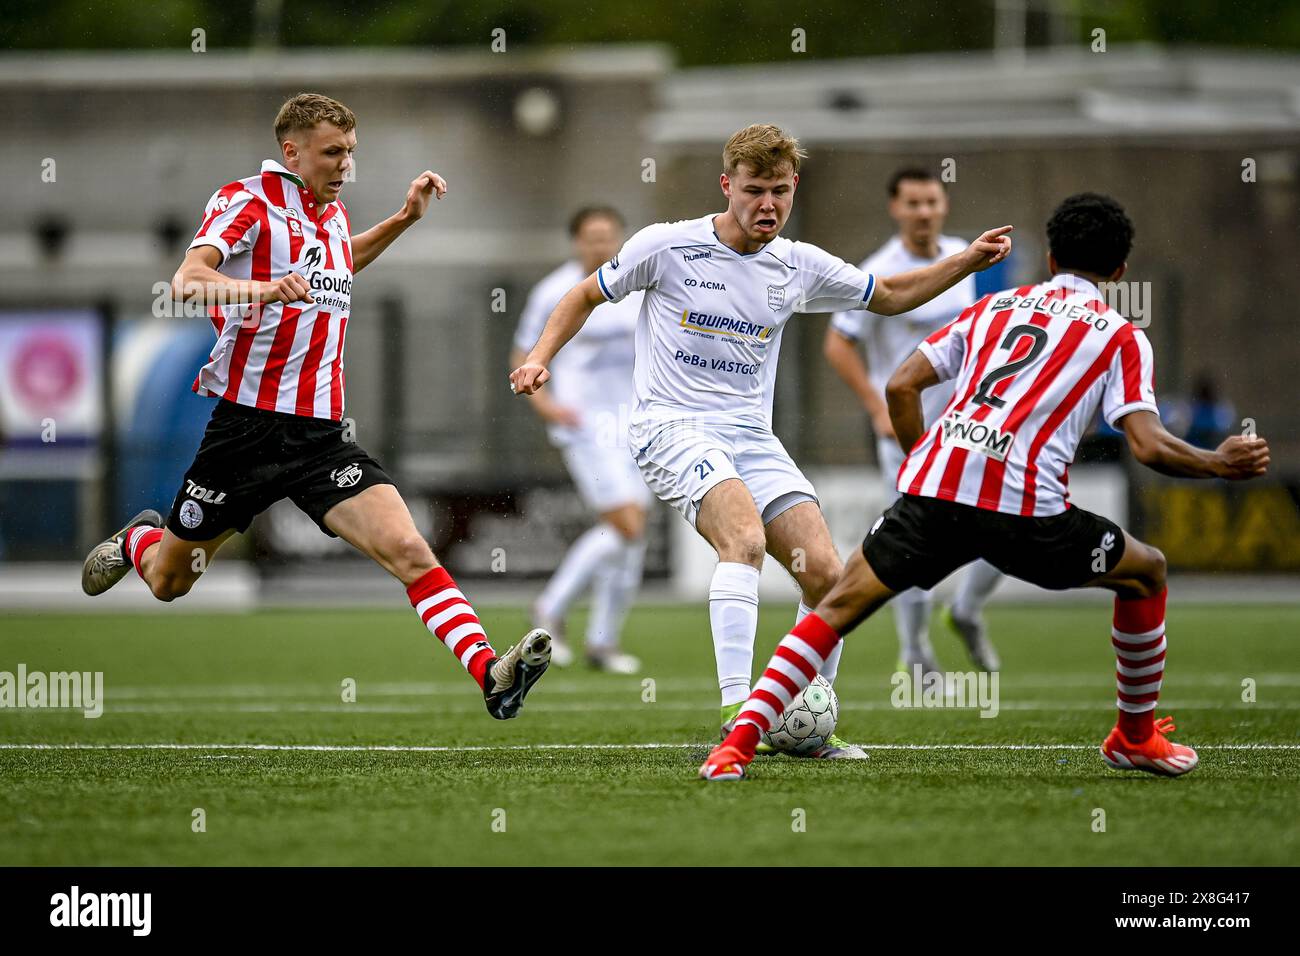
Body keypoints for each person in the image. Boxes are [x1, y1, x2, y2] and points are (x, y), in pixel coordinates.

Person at [701, 192, 1270, 781]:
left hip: (934, 494)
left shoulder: (996, 307)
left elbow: (901, 386)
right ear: (1120, 271)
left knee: (837, 606)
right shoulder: (1121, 337)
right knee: (1146, 569)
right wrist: (1218, 463)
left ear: (1050, 258)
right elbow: (1149, 446)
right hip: (1025, 514)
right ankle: (1134, 736)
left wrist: (928, 458)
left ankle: (734, 749)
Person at [511, 124, 1011, 758]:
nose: (767, 205)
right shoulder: (667, 246)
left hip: (750, 436)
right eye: (753, 191)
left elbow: (886, 296)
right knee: (743, 540)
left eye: (779, 191)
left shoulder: (797, 264)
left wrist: (965, 260)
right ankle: (734, 711)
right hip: (671, 427)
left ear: (793, 188)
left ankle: (810, 726)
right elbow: (584, 294)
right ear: (727, 186)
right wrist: (538, 357)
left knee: (829, 576)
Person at [81, 92, 550, 719]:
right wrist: (265, 288)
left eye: (351, 152)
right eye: (333, 152)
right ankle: (142, 539)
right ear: (291, 150)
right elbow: (187, 281)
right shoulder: (246, 200)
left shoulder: (328, 215)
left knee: (410, 552)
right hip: (243, 433)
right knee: (170, 582)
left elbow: (342, 263)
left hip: (319, 437)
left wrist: (404, 219)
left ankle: (490, 674)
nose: (345, 164)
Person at [824, 167, 1003, 679]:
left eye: (931, 202)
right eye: (913, 203)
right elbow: (837, 343)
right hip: (906, 428)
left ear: (943, 204)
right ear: (895, 209)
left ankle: (966, 610)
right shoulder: (879, 270)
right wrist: (875, 403)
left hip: (968, 426)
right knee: (918, 536)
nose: (923, 212)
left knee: (1010, 519)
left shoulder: (962, 256)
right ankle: (915, 653)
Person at [510, 206, 649, 673]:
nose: (600, 245)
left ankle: (603, 642)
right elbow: (524, 350)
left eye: (609, 236)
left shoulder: (635, 285)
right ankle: (549, 608)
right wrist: (546, 405)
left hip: (637, 425)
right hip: (584, 425)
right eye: (591, 237)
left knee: (632, 537)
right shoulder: (555, 290)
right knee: (626, 526)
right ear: (576, 242)